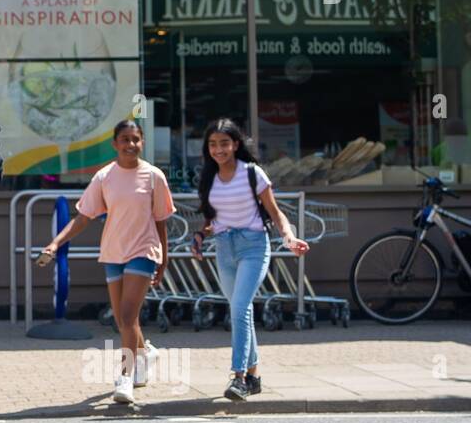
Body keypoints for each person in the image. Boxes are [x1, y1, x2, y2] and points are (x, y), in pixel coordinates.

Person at [40, 119, 174, 405]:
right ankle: (146, 352)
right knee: (124, 319)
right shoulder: (104, 177)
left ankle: (125, 377)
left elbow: (161, 222)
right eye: (125, 139)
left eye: (136, 139)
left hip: (144, 250)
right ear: (115, 144)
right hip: (113, 252)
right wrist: (55, 243)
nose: (131, 145)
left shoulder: (154, 177)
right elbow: (84, 217)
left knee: (126, 316)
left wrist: (163, 258)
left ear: (142, 142)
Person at [191, 118, 309, 402]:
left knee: (240, 308)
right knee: (238, 311)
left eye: (224, 143)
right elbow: (212, 219)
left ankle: (239, 377)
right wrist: (200, 236)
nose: (219, 149)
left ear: (235, 145)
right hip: (224, 247)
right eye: (213, 144)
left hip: (253, 246)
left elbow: (275, 212)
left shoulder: (252, 173)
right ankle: (254, 377)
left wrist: (289, 238)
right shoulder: (209, 177)